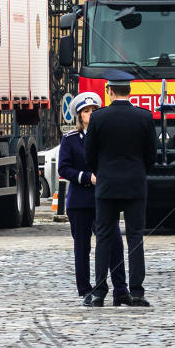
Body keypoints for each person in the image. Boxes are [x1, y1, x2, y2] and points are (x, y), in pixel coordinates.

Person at [84, 71, 156, 307]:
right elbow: (151, 156)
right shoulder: (144, 117)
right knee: (136, 237)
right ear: (130, 91)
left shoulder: (98, 118)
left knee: (103, 238)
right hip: (135, 184)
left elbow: (89, 156)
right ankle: (136, 291)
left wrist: (103, 172)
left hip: (106, 185)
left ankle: (99, 292)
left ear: (110, 91)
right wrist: (138, 171)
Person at [57, 92, 102, 302]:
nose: (90, 115)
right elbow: (64, 168)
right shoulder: (71, 139)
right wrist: (85, 177)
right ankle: (85, 289)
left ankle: (104, 285)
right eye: (86, 111)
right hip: (79, 201)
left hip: (102, 199)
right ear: (79, 115)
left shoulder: (105, 138)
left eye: (94, 111)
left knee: (106, 244)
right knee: (82, 248)